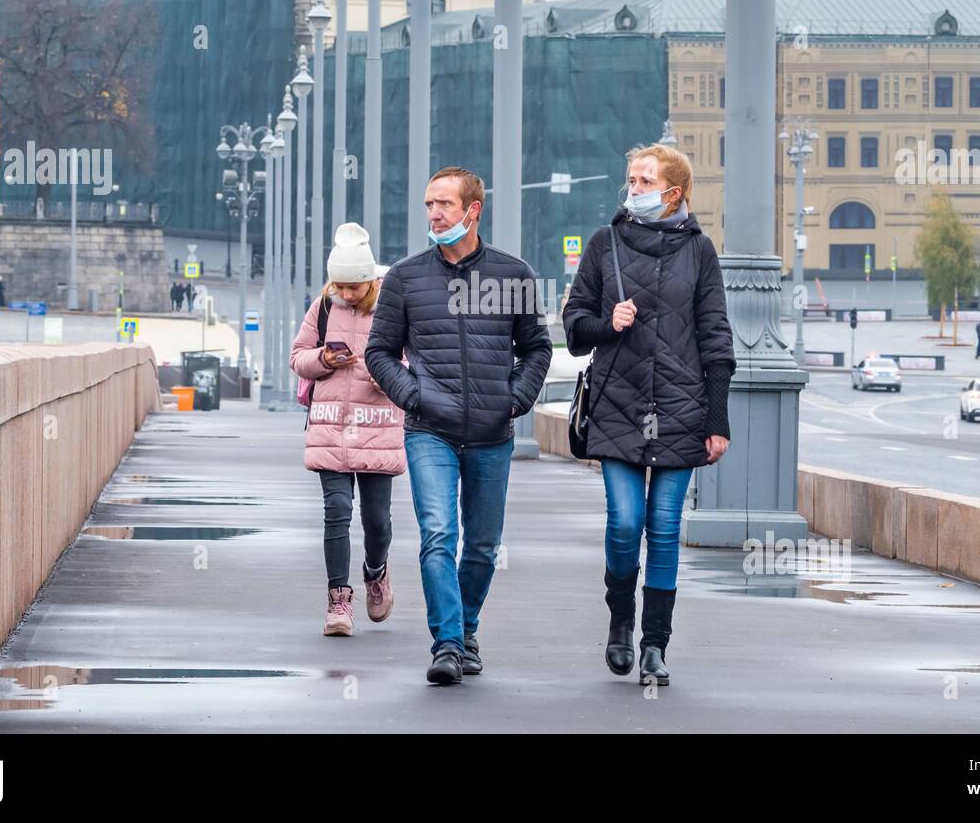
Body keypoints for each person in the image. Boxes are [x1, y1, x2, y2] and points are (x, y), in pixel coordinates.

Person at [366, 166, 552, 686]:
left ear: (473, 210)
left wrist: (514, 399)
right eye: (428, 204)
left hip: (493, 432)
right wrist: (412, 395)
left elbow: (537, 348)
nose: (434, 214)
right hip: (430, 429)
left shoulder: (512, 275)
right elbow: (378, 352)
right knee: (439, 534)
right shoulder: (405, 277)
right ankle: (447, 643)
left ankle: (467, 628)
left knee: (484, 545)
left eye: (444, 204)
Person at [562, 143, 735, 688]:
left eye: (642, 181)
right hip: (618, 406)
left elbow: (716, 339)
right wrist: (606, 322)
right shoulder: (604, 243)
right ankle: (620, 624)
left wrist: (718, 419)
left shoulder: (700, 252)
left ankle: (655, 645)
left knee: (663, 529)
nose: (632, 189)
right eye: (631, 180)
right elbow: (573, 326)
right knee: (625, 523)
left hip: (682, 411)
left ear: (672, 192)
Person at [290, 223, 406, 636]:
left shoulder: (394, 304)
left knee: (377, 520)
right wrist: (324, 358)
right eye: (339, 286)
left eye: (353, 287)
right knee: (336, 513)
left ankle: (376, 571)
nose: (346, 294)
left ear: (369, 281)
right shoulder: (323, 306)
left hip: (377, 427)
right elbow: (298, 357)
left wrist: (388, 375)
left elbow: (416, 360)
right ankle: (339, 599)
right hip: (330, 428)